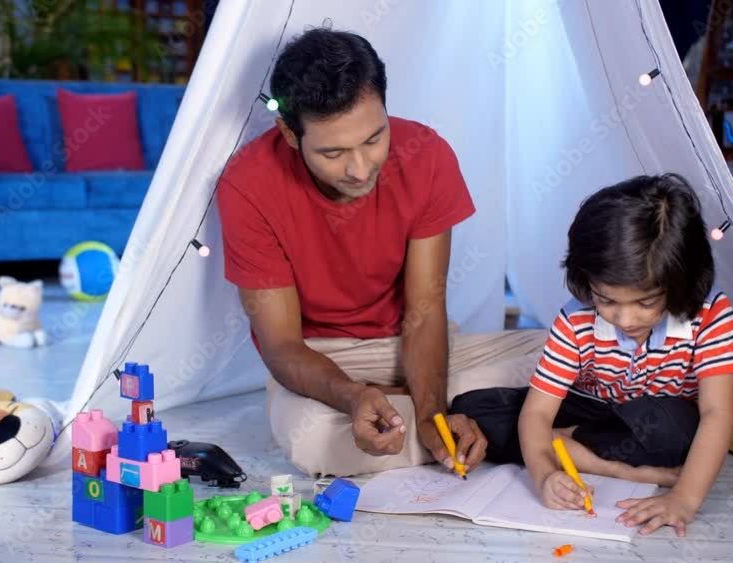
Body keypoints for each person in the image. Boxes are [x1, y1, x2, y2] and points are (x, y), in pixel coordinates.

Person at [216, 28, 546, 478]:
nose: (359, 168)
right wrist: (353, 395)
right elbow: (282, 347)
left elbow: (425, 310)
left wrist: (428, 414)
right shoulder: (247, 183)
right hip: (320, 357)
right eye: (333, 152)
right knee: (312, 440)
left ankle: (422, 408)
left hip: (412, 346)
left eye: (373, 139)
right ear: (289, 134)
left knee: (561, 355)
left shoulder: (426, 155)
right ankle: (483, 414)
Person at [451, 173, 733, 536]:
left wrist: (684, 499)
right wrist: (545, 475)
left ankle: (564, 445)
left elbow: (717, 413)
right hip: (595, 410)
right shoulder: (576, 317)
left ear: (682, 282)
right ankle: (608, 465)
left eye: (645, 302)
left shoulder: (711, 314)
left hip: (654, 416)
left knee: (671, 426)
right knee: (473, 408)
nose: (625, 319)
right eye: (607, 300)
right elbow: (537, 411)